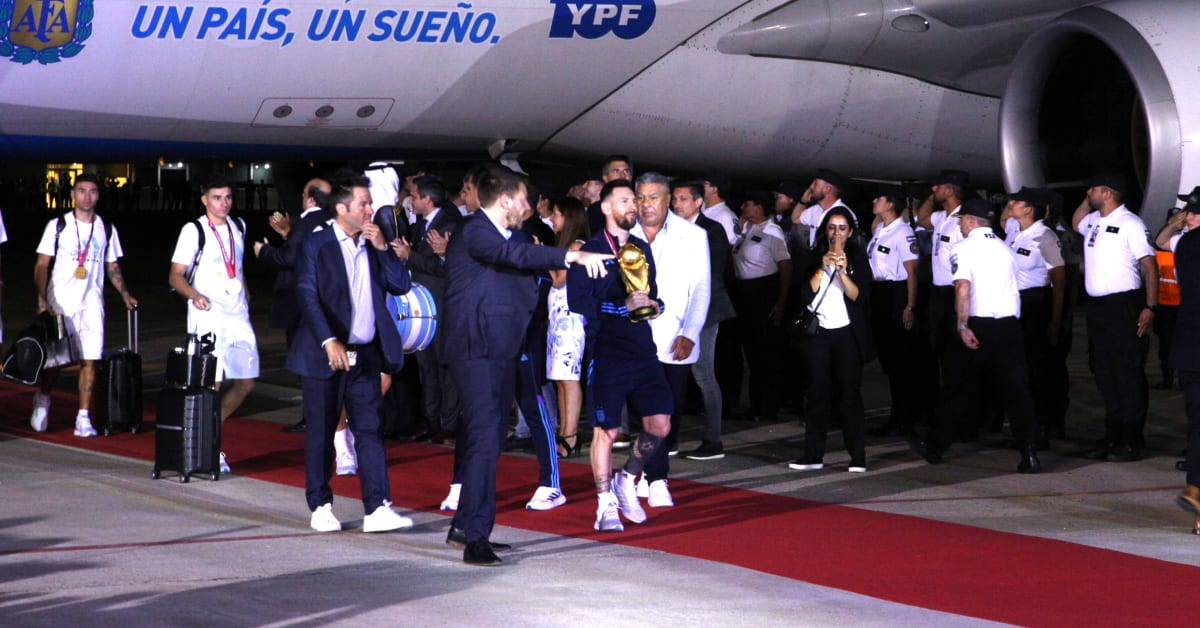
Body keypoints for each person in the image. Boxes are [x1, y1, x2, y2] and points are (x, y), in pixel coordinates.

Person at [443, 169, 610, 565]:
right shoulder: (474, 231)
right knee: (485, 440)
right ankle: (477, 538)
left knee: (490, 436)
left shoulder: (515, 237)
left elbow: (528, 270)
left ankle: (466, 525)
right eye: (522, 200)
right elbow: (511, 257)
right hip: (476, 348)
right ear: (504, 200)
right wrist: (571, 254)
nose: (528, 207)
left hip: (505, 349)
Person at [286, 175, 416, 534]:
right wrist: (329, 340)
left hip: (365, 354)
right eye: (363, 203)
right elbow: (307, 294)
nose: (370, 209)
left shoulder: (372, 244)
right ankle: (321, 503)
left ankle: (376, 507)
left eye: (370, 203)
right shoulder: (318, 244)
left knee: (370, 429)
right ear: (342, 209)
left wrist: (383, 248)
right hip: (324, 355)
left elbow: (401, 284)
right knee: (322, 430)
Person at [568, 178, 671, 533]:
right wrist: (619, 307)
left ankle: (627, 479)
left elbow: (651, 292)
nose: (634, 206)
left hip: (643, 350)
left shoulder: (641, 247)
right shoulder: (590, 249)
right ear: (606, 207)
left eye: (636, 201)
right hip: (607, 352)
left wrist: (655, 305)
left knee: (660, 425)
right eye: (626, 200)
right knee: (606, 431)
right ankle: (604, 503)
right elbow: (577, 302)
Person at [928, 198, 1041, 472]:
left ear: (970, 222)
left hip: (979, 325)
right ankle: (1029, 451)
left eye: (963, 221)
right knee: (1016, 391)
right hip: (1009, 327)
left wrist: (962, 325)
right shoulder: (1005, 248)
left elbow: (962, 288)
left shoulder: (963, 248)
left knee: (957, 387)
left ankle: (936, 445)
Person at [30, 174, 139, 436]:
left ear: (98, 195)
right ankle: (43, 398)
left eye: (92, 191)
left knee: (90, 359)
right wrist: (43, 297)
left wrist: (124, 293)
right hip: (62, 301)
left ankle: (83, 418)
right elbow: (42, 265)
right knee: (56, 361)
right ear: (73, 194)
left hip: (91, 302)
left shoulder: (106, 228)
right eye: (82, 191)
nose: (87, 196)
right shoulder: (58, 226)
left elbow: (112, 265)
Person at [168, 177, 259, 474]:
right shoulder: (193, 231)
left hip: (238, 316)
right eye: (217, 197)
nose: (224, 203)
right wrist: (195, 296)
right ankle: (210, 446)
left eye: (228, 197)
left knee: (245, 382)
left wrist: (244, 290)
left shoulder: (239, 227)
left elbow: (238, 266)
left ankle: (205, 431)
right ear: (205, 200)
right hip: (208, 317)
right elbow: (176, 275)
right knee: (212, 385)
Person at [631, 172, 710, 506]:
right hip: (632, 336)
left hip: (673, 337)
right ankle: (646, 470)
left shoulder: (693, 235)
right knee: (641, 411)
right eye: (641, 197)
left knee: (665, 409)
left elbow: (701, 288)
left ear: (668, 201)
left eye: (654, 197)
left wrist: (690, 333)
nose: (646, 204)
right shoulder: (624, 234)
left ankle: (656, 476)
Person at [1072, 173, 1157, 462]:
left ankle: (1131, 439)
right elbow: (1076, 221)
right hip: (1098, 308)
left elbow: (1150, 265)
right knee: (1104, 371)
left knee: (1127, 372)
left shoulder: (1130, 223)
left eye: (1094, 188)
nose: (1089, 192)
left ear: (1107, 193)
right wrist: (1088, 198)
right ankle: (1113, 435)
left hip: (1124, 305)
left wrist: (1150, 306)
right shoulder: (1094, 220)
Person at [788, 207, 874, 472]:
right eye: (832, 228)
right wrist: (822, 268)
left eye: (842, 228)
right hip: (818, 335)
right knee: (817, 394)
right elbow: (804, 295)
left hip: (847, 334)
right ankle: (813, 454)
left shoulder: (858, 258)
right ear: (825, 231)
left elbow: (859, 296)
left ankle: (857, 456)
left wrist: (844, 272)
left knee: (849, 394)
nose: (836, 233)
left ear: (850, 233)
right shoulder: (812, 257)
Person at [254, 178, 333, 433]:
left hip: (300, 306)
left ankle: (312, 417)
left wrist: (263, 252)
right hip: (321, 304)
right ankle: (319, 415)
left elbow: (290, 258)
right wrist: (288, 233)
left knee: (305, 363)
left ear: (310, 199)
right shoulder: (327, 222)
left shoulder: (308, 221)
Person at [672, 180, 736, 460]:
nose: (677, 204)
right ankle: (669, 437)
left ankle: (713, 440)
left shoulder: (712, 230)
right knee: (674, 373)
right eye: (675, 199)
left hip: (705, 310)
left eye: (683, 199)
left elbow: (711, 274)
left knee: (703, 374)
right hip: (678, 309)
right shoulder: (672, 229)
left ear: (698, 202)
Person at [1001, 187, 1066, 445]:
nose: (1010, 203)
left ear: (1029, 209)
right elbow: (1005, 218)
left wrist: (1056, 319)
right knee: (1017, 370)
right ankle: (1024, 427)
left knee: (1036, 370)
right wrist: (1011, 201)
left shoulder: (1044, 237)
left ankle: (1041, 427)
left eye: (1017, 201)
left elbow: (1059, 280)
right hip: (1014, 305)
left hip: (1035, 305)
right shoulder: (1016, 231)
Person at [731, 190, 791, 422]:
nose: (743, 207)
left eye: (748, 203)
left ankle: (768, 406)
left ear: (759, 207)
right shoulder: (749, 229)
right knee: (752, 353)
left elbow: (785, 266)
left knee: (765, 353)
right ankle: (756, 404)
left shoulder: (772, 231)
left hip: (763, 292)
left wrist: (781, 301)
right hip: (744, 293)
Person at [865, 186, 921, 436]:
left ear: (891, 204)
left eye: (879, 197)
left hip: (895, 294)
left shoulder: (902, 231)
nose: (874, 200)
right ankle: (897, 416)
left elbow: (912, 272)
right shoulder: (881, 229)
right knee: (888, 359)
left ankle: (904, 419)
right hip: (879, 293)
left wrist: (909, 306)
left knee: (900, 361)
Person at [1165, 189, 1200, 527]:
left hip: (1189, 343)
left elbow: (1165, 240)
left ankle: (1195, 489)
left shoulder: (1185, 244)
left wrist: (1178, 221)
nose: (1189, 216)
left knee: (1197, 423)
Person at [546, 197, 589, 459]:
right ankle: (564, 430)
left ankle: (571, 434)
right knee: (560, 378)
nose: (553, 219)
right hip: (559, 318)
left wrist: (545, 258)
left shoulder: (577, 245)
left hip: (571, 320)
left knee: (569, 377)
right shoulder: (565, 246)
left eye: (557, 214)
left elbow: (560, 280)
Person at [585, 156, 634, 235]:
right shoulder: (594, 211)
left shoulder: (639, 206)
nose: (622, 176)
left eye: (626, 171)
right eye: (616, 171)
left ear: (631, 177)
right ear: (605, 178)